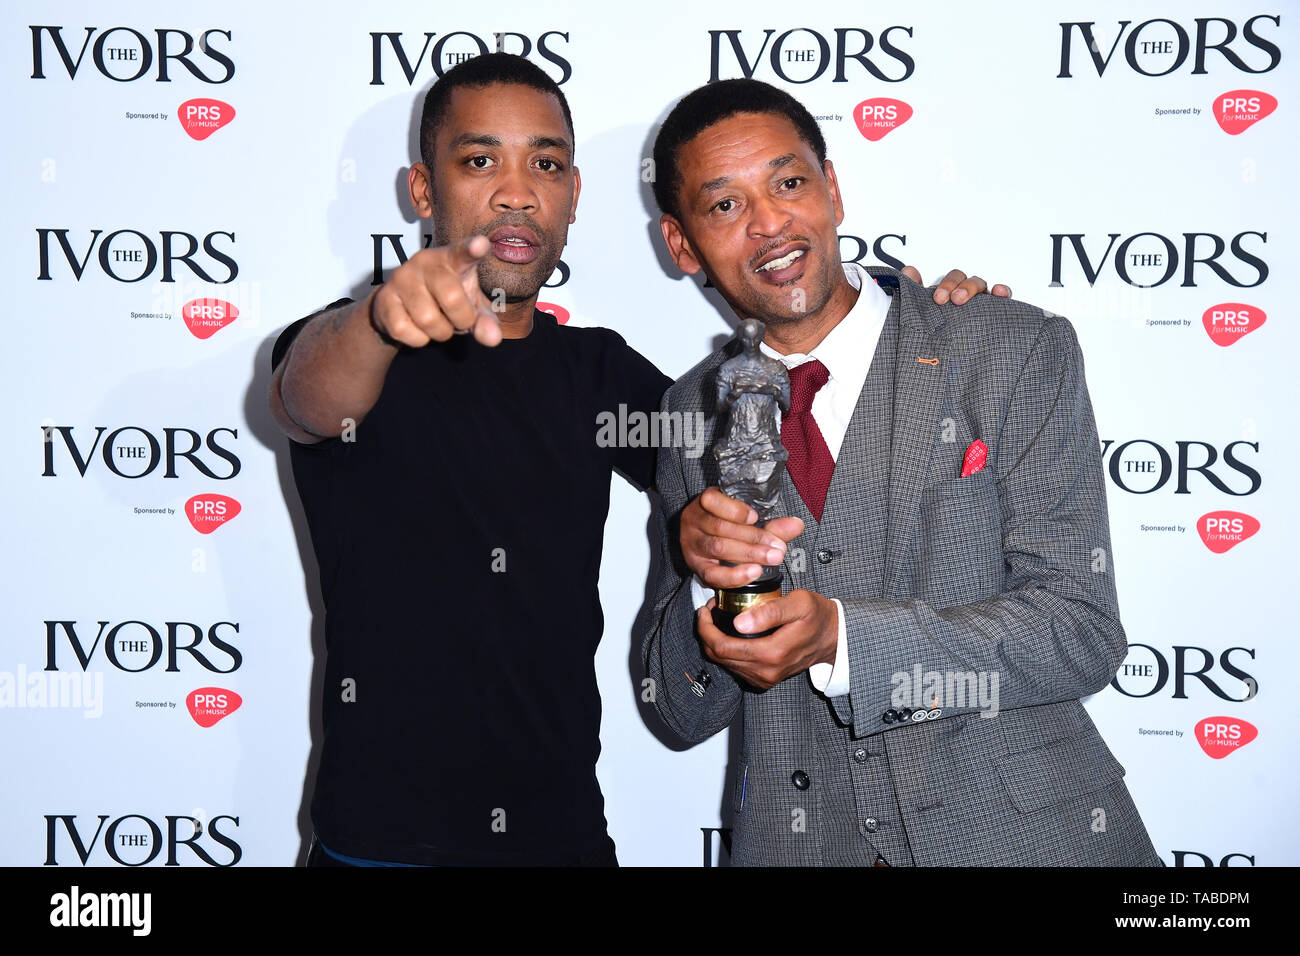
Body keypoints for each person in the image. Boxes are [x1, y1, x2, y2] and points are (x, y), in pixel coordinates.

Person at [268, 54, 1003, 866]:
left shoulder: (599, 372)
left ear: (573, 197)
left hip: (564, 837)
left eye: (545, 163)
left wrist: (921, 327)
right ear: (421, 191)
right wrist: (377, 318)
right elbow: (307, 400)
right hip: (381, 845)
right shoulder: (353, 348)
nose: (517, 190)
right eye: (481, 161)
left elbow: (754, 467)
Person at [642, 79, 1162, 866]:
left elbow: (1080, 633)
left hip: (1027, 842)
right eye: (724, 206)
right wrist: (697, 576)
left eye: (788, 183)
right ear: (683, 247)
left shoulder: (1007, 349)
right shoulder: (690, 414)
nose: (770, 223)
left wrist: (844, 641)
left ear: (834, 189)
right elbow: (679, 712)